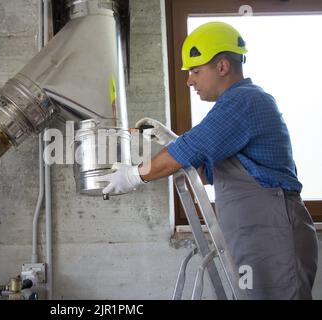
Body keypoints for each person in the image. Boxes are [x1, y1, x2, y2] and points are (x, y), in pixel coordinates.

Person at [96, 21, 318, 300]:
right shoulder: (231, 109)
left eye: (196, 71)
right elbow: (203, 170)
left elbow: (190, 150)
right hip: (256, 236)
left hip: (273, 235)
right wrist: (173, 142)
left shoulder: (245, 101)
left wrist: (132, 176)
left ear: (222, 67)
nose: (189, 81)